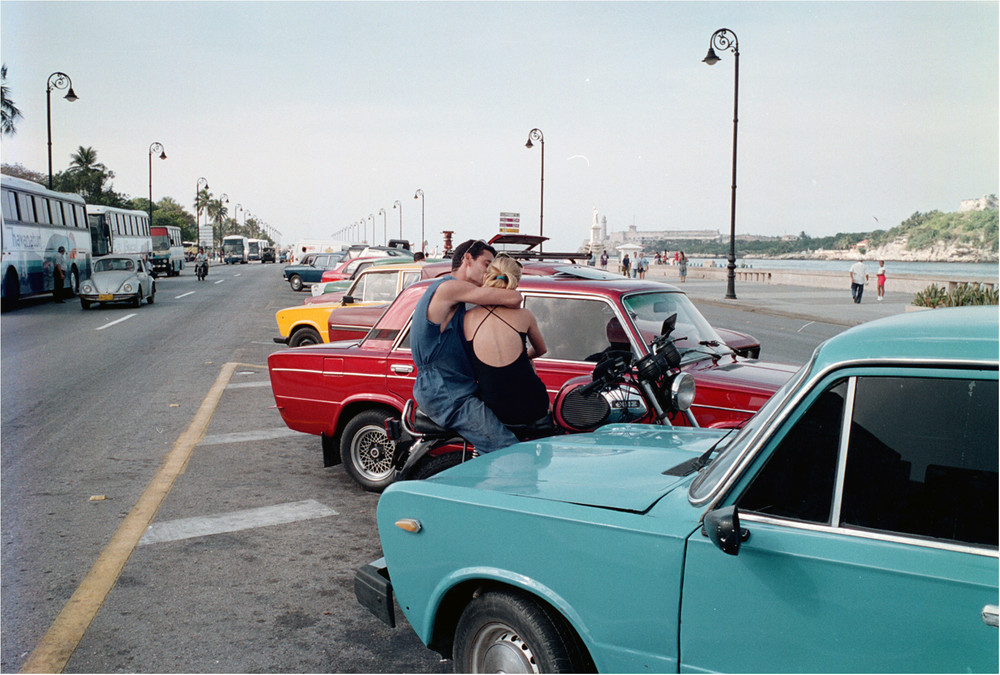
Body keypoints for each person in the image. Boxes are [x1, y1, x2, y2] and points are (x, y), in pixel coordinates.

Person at [410, 239, 522, 454]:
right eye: (487, 265)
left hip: (449, 386)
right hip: (447, 392)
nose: (490, 272)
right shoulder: (449, 287)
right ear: (467, 259)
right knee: (507, 451)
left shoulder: (451, 294)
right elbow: (513, 298)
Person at [463, 254, 549, 425]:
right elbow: (541, 350)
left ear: (487, 277)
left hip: (494, 406)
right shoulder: (525, 315)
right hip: (532, 403)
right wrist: (527, 357)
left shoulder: (468, 318)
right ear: (515, 282)